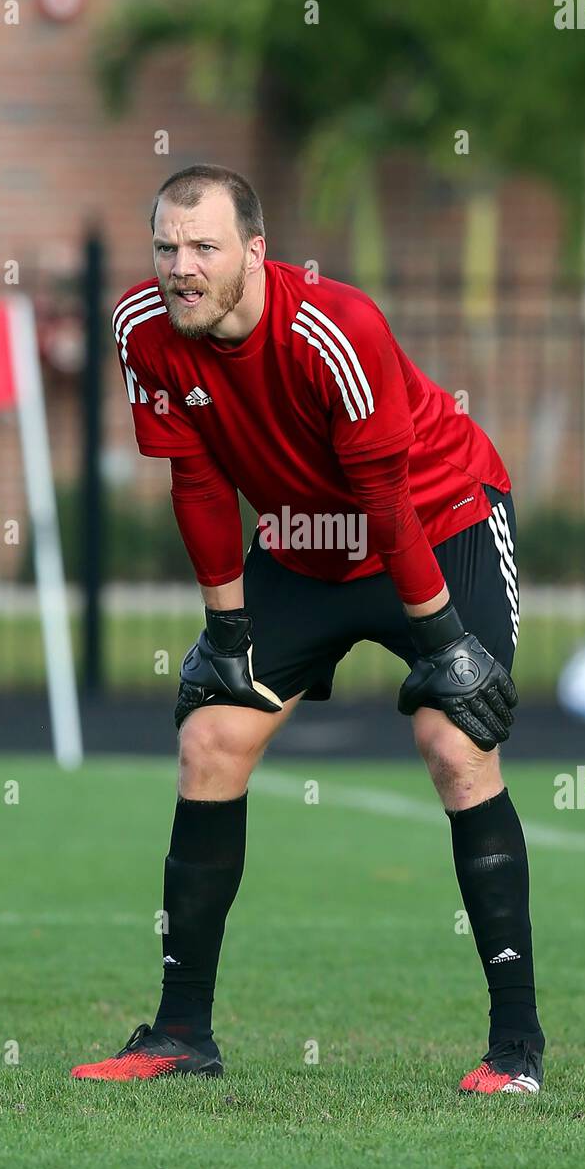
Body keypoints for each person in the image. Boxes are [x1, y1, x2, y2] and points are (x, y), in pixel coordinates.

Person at [70, 164, 544, 1094]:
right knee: (211, 739)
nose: (181, 267)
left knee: (455, 744)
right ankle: (180, 1034)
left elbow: (385, 496)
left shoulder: (335, 325)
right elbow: (198, 481)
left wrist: (444, 643)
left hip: (437, 523)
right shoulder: (141, 328)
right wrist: (225, 629)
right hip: (303, 542)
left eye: (204, 247)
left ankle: (515, 1048)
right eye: (167, 246)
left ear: (255, 251)